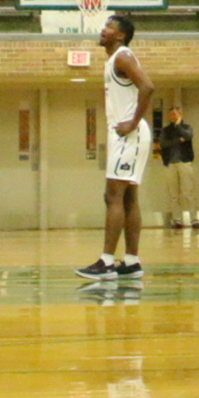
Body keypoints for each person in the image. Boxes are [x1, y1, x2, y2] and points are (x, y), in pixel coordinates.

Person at [75, 15, 156, 280]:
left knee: (113, 196)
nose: (103, 30)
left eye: (109, 27)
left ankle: (107, 262)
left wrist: (132, 123)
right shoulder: (115, 59)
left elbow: (147, 86)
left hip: (128, 135)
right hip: (126, 134)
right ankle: (131, 262)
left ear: (120, 35)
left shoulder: (123, 57)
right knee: (128, 197)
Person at [160, 107, 199, 229]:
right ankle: (177, 219)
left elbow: (187, 136)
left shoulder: (186, 128)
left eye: (175, 114)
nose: (173, 117)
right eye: (171, 114)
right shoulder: (165, 131)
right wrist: (179, 140)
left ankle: (194, 219)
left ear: (180, 115)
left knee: (188, 192)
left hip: (184, 162)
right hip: (170, 164)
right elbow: (163, 144)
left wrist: (178, 126)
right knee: (173, 194)